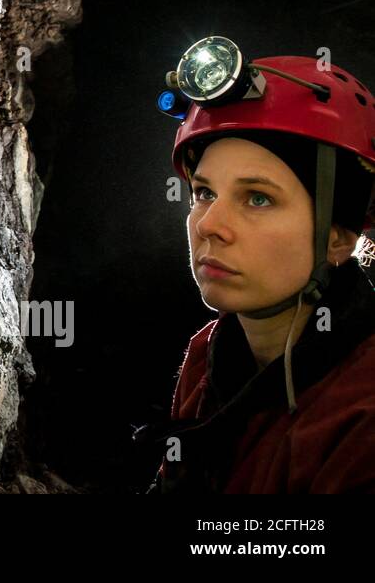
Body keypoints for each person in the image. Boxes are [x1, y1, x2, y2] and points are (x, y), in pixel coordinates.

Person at [136, 48, 375, 493]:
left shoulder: (362, 412)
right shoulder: (209, 352)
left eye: (258, 198)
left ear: (339, 238)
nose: (209, 225)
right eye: (205, 193)